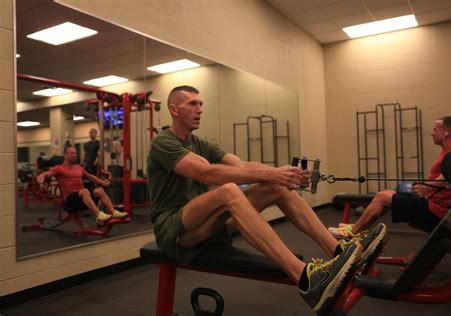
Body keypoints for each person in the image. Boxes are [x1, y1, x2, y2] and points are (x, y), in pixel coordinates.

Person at [147, 85, 388, 313]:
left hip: (207, 228)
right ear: (174, 109)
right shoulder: (163, 142)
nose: (199, 109)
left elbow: (241, 165)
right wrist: (272, 173)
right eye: (192, 104)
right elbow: (207, 173)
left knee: (276, 187)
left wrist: (285, 175)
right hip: (175, 232)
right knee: (229, 190)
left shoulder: (202, 143)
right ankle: (305, 278)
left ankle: (339, 250)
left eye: (201, 104)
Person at [328, 116, 451, 239]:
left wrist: (426, 188)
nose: (431, 133)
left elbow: (450, 175)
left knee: (382, 196)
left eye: (435, 130)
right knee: (385, 196)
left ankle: (353, 231)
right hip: (432, 206)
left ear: (447, 132)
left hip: (435, 211)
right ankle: (358, 229)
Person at [37, 147, 127, 223]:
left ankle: (114, 212)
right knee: (84, 191)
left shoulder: (79, 168)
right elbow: (43, 175)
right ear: (65, 155)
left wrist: (102, 182)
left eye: (75, 153)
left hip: (82, 198)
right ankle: (99, 215)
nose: (74, 155)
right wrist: (41, 183)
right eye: (72, 153)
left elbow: (90, 176)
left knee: (99, 190)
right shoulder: (59, 169)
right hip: (70, 201)